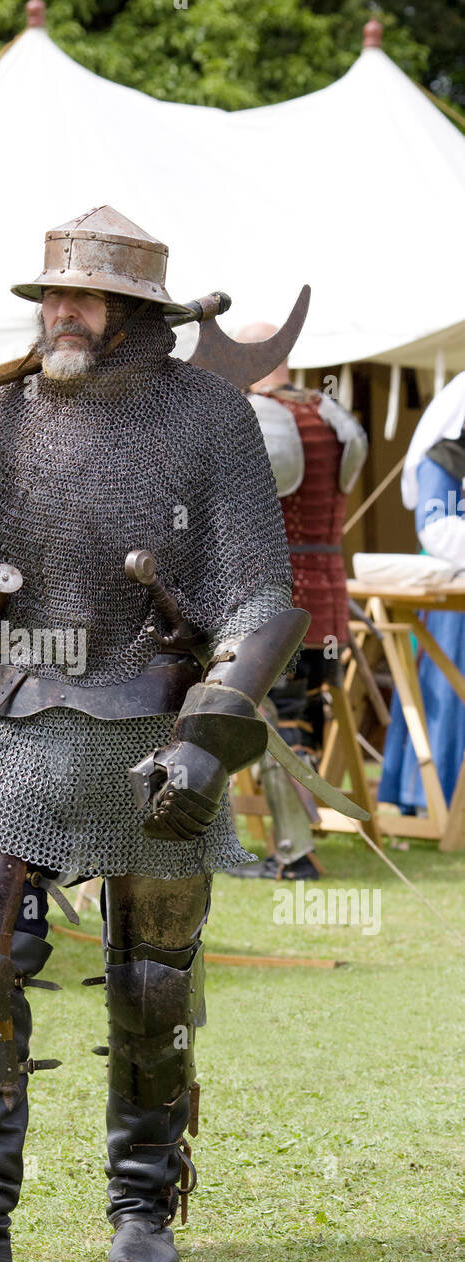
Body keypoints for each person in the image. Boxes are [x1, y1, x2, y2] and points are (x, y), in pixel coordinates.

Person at [0, 207, 305, 1262]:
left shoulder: (205, 419)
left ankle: (142, 1204)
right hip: (13, 724)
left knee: (151, 981)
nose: (59, 311)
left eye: (83, 298)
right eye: (51, 294)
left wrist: (204, 741)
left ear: (136, 317)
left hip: (153, 717)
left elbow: (261, 599)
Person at [227, 326, 367, 880]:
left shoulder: (258, 416)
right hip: (329, 599)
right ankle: (298, 846)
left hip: (280, 602)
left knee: (274, 722)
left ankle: (295, 853)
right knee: (303, 715)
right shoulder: (332, 413)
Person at [378, 371, 465, 811]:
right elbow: (437, 527)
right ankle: (433, 799)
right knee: (446, 691)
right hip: (454, 598)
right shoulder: (445, 454)